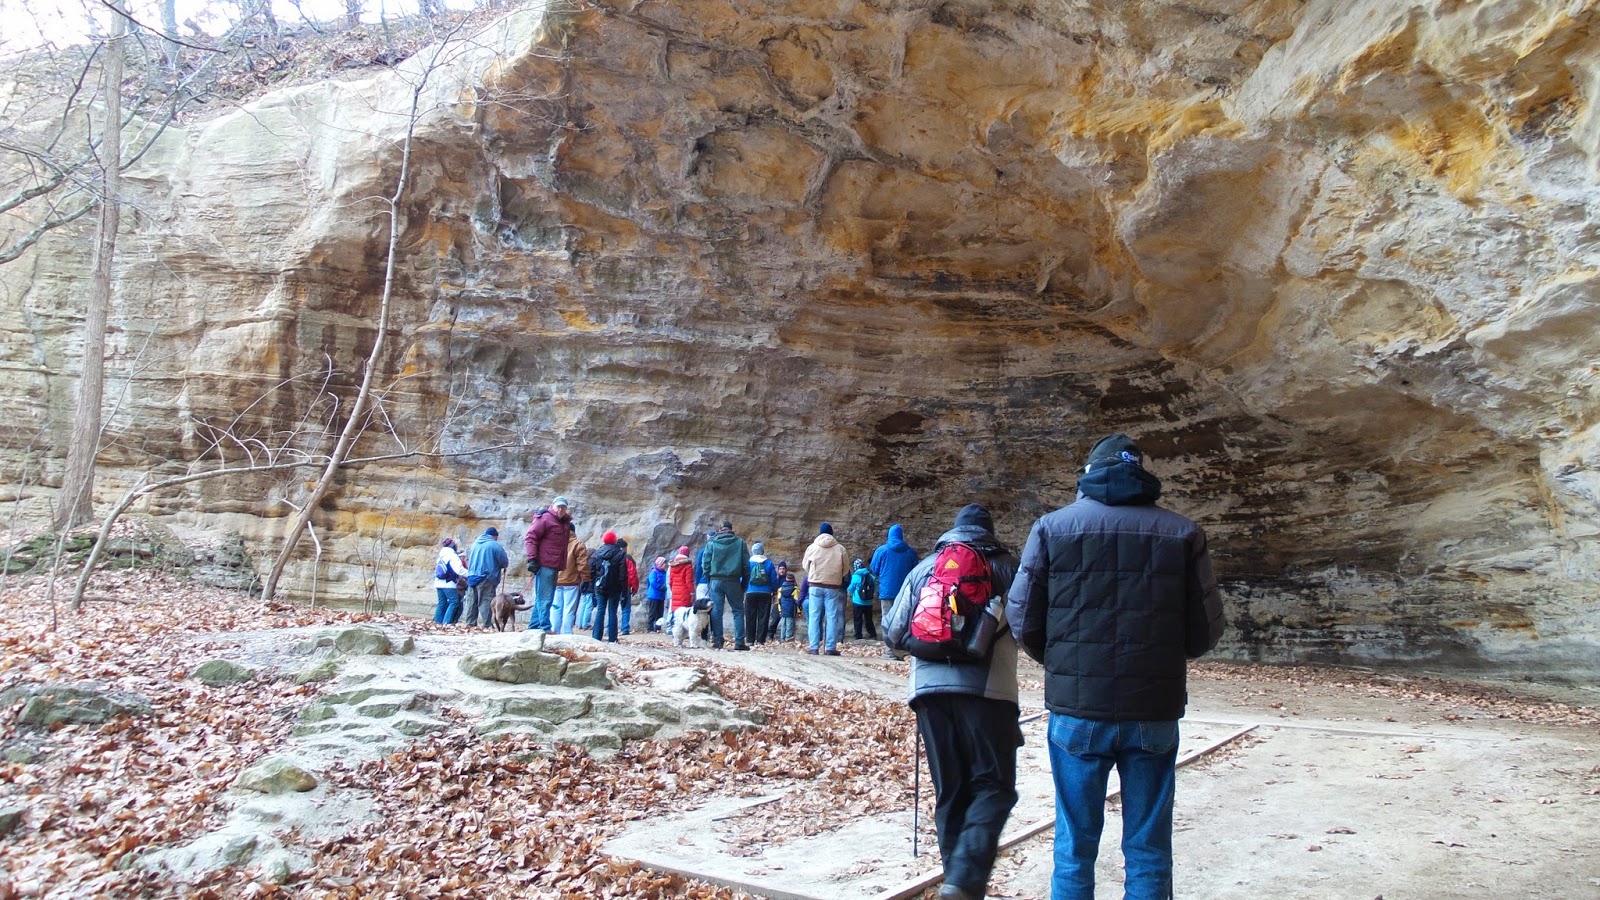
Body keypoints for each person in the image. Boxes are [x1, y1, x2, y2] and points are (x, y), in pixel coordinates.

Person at [1007, 434, 1224, 900]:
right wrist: (1160, 656)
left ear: (1087, 475)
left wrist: (1064, 662)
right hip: (1154, 709)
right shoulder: (1183, 532)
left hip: (1078, 711)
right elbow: (1205, 629)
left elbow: (1022, 619)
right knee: (1148, 848)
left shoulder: (1051, 528)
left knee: (1074, 846)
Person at [884, 504, 1021, 900]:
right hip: (987, 692)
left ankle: (956, 884)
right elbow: (1031, 626)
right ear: (990, 533)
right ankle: (964, 880)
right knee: (993, 788)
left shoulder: (924, 567)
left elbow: (893, 635)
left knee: (951, 792)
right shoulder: (1009, 569)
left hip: (928, 694)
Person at [698, 520, 751, 650]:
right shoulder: (740, 543)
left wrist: (709, 578)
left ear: (720, 529)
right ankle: (739, 642)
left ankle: (717, 641)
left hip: (716, 580)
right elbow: (746, 566)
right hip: (733, 580)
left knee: (716, 611)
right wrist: (744, 583)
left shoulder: (712, 543)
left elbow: (705, 563)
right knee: (738, 610)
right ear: (731, 529)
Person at [523, 496, 571, 630]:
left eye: (563, 507)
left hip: (553, 564)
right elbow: (530, 538)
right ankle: (544, 627)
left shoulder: (563, 522)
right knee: (546, 597)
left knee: (542, 596)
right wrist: (532, 558)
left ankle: (534, 626)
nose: (560, 509)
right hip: (545, 563)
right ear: (552, 506)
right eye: (558, 506)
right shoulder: (545, 518)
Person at [871, 524, 919, 656]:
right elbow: (915, 572)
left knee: (887, 619)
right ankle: (901, 650)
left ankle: (889, 651)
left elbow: (874, 568)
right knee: (902, 620)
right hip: (904, 593)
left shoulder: (882, 550)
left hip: (886, 591)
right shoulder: (910, 552)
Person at [801, 522, 849, 656]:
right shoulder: (840, 549)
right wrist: (837, 576)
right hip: (833, 586)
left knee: (814, 616)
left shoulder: (812, 547)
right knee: (832, 616)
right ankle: (830, 647)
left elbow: (805, 565)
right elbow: (846, 569)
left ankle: (814, 647)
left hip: (815, 584)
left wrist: (814, 573)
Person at [462, 526, 509, 629]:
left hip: (472, 576)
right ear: (494, 536)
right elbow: (504, 561)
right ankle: (487, 624)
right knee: (486, 601)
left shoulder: (475, 544)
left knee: (472, 600)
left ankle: (470, 623)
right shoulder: (494, 545)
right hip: (486, 576)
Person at [590, 530, 629, 643]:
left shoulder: (597, 553)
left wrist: (593, 585)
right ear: (614, 540)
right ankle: (612, 638)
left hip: (600, 586)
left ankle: (596, 637)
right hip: (615, 586)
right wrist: (624, 589)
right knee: (613, 611)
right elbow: (623, 574)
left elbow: (592, 571)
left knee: (600, 610)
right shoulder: (620, 554)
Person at [554, 522, 591, 635]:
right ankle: (567, 634)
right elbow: (582, 564)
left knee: (555, 608)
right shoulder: (578, 544)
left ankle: (554, 633)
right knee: (569, 609)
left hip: (556, 581)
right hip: (571, 582)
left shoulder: (555, 543)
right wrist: (586, 579)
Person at [744, 542, 778, 645]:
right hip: (765, 592)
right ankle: (760, 640)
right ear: (762, 551)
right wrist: (773, 590)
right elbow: (773, 579)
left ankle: (750, 640)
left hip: (751, 592)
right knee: (763, 617)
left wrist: (745, 589)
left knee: (750, 616)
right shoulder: (768, 563)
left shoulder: (748, 563)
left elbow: (743, 578)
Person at [431, 537, 468, 624]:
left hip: (438, 583)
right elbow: (459, 570)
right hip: (448, 583)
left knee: (442, 603)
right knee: (454, 602)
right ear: (453, 546)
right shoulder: (452, 556)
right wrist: (469, 574)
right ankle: (446, 623)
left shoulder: (441, 556)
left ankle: (437, 623)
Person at [667, 545, 697, 648]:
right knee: (685, 616)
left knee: (676, 616)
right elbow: (688, 581)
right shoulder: (688, 565)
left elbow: (670, 581)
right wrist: (692, 592)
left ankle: (675, 638)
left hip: (675, 591)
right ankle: (686, 636)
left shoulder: (672, 565)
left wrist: (673, 590)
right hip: (684, 592)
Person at [847, 557, 878, 640]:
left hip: (858, 601)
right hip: (869, 602)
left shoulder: (855, 577)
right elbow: (874, 587)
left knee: (858, 619)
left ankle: (858, 636)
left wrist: (851, 592)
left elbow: (850, 588)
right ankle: (872, 634)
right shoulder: (870, 575)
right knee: (869, 619)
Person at [619, 538, 640, 635]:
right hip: (625, 586)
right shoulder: (627, 558)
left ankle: (609, 629)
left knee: (612, 608)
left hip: (611, 586)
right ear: (624, 548)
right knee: (626, 608)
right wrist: (634, 587)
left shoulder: (610, 555)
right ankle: (624, 628)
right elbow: (632, 574)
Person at [644, 555, 669, 632]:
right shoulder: (654, 572)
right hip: (654, 595)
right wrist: (661, 587)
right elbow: (652, 583)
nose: (665, 565)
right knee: (652, 612)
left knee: (660, 613)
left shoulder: (664, 573)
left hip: (661, 596)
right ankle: (650, 628)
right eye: (664, 563)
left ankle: (658, 628)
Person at [775, 567, 800, 642]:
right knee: (790, 624)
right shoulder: (795, 589)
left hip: (783, 609)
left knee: (783, 624)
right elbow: (797, 601)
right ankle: (788, 639)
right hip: (791, 610)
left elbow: (779, 600)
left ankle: (782, 639)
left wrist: (780, 610)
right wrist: (799, 612)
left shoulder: (780, 589)